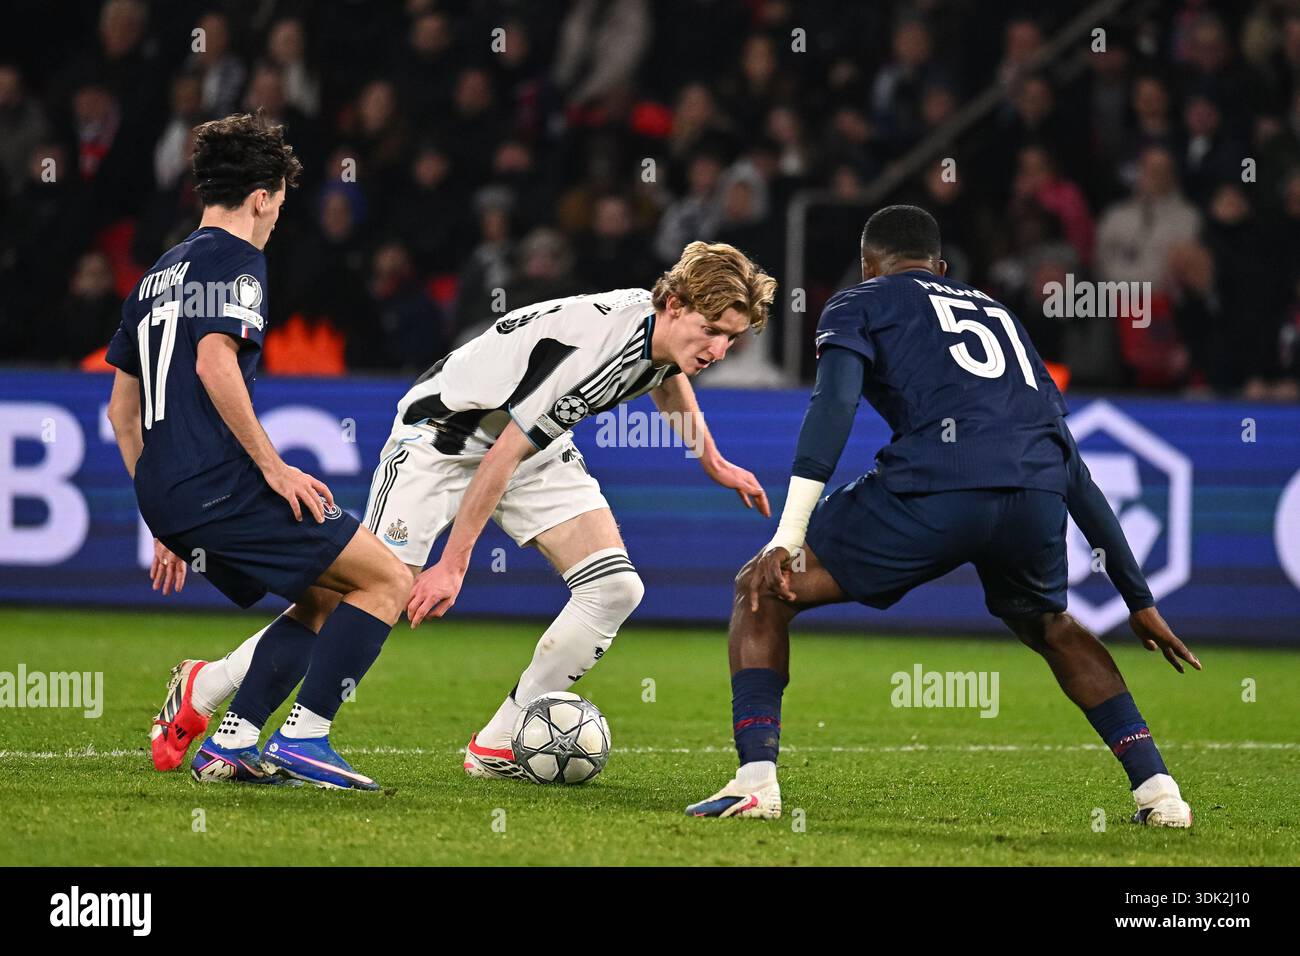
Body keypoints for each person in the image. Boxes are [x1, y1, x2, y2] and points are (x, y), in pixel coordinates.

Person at [152, 241, 776, 781]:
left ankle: (498, 741)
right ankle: (213, 690)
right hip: (441, 442)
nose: (720, 349)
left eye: (732, 337)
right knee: (361, 592)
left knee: (613, 588)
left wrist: (711, 460)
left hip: (527, 443)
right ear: (674, 305)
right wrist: (454, 564)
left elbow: (664, 373)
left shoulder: (658, 330)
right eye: (713, 330)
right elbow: (499, 457)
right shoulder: (601, 349)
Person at [687, 206, 1200, 827]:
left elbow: (834, 407)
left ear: (868, 266)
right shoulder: (1002, 315)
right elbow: (1069, 462)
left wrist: (787, 536)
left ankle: (756, 783)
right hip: (1033, 492)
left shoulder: (860, 302)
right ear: (942, 267)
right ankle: (1160, 793)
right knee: (1052, 625)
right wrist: (1135, 596)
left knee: (760, 590)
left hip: (935, 485)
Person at [107, 113, 410, 791]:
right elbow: (217, 364)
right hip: (221, 485)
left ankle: (232, 742)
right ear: (264, 196)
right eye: (279, 202)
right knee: (388, 580)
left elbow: (120, 412)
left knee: (323, 596)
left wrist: (159, 513)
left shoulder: (155, 274)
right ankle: (307, 738)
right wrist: (273, 468)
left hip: (173, 495)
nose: (275, 216)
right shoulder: (239, 259)